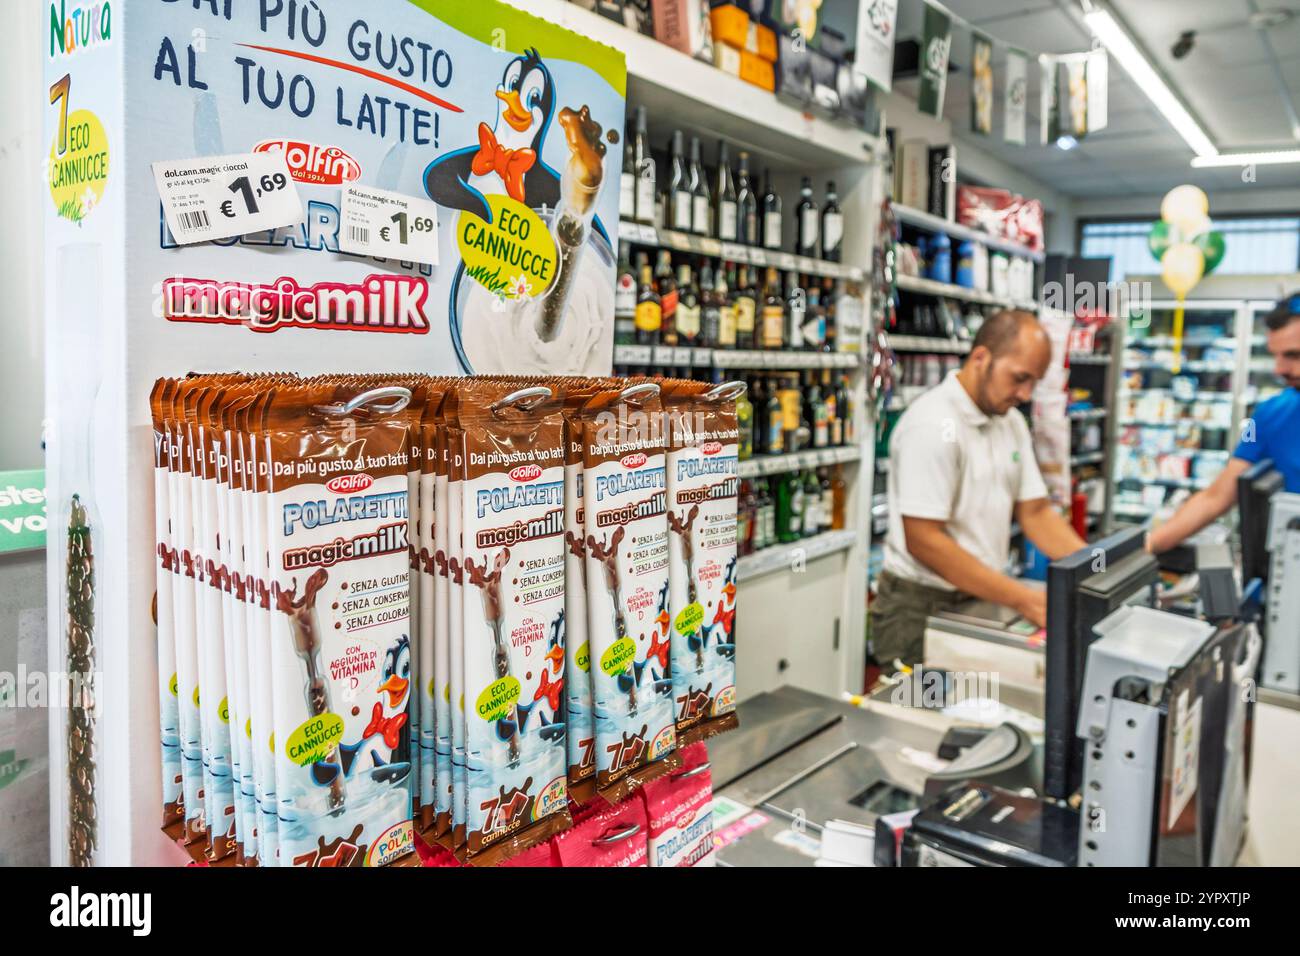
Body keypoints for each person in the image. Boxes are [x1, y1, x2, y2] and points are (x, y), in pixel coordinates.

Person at [872, 310, 1087, 669]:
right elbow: (924, 540)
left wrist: (1093, 565)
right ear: (981, 358)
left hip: (981, 593)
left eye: (1034, 382)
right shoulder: (932, 425)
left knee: (973, 710)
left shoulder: (1010, 422)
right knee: (915, 718)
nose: (1025, 393)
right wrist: (1023, 598)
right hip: (920, 607)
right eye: (1019, 378)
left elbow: (1035, 512)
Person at [1147, 292, 1300, 553]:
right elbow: (1216, 495)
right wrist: (1146, 547)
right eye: (1275, 356)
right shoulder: (1263, 416)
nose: (1279, 369)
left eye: (1294, 355)